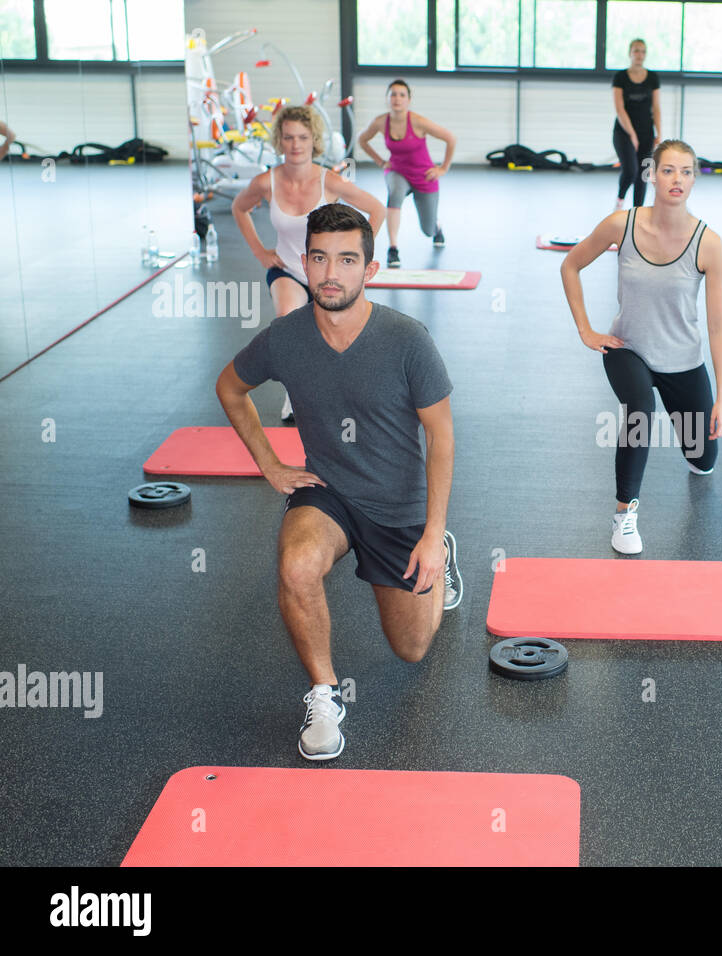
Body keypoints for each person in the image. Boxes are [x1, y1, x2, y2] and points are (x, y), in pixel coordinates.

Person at [215, 204, 461, 761]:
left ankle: (441, 556)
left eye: (347, 260)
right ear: (303, 262)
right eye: (320, 258)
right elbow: (230, 388)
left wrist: (431, 532)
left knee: (413, 649)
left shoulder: (407, 340)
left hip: (398, 505)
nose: (331, 273)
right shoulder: (285, 338)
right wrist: (270, 465)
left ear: (368, 270)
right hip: (326, 493)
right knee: (296, 563)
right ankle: (324, 696)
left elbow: (441, 439)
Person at [561, 140, 722, 554]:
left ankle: (697, 446)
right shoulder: (622, 224)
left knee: (703, 459)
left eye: (686, 171)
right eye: (668, 170)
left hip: (683, 360)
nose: (677, 179)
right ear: (651, 174)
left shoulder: (708, 243)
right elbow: (571, 264)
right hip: (628, 347)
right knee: (639, 408)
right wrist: (586, 330)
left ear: (694, 178)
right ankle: (624, 514)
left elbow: (718, 324)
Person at [231, 105, 386, 423]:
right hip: (288, 269)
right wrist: (261, 252)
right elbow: (239, 208)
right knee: (289, 322)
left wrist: (355, 260)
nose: (295, 144)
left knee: (333, 336)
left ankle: (338, 394)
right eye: (288, 137)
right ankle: (295, 396)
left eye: (302, 137)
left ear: (313, 140)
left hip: (328, 274)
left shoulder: (330, 182)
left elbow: (377, 210)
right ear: (280, 141)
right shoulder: (266, 182)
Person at [357, 79, 456, 268]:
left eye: (402, 95)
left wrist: (442, 168)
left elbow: (450, 138)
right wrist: (380, 161)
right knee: (394, 195)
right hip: (397, 171)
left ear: (409, 100)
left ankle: (436, 227)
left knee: (427, 230)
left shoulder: (418, 121)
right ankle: (393, 249)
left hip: (423, 175)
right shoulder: (380, 122)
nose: (397, 98)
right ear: (387, 99)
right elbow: (362, 140)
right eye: (393, 94)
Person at [612, 39, 661, 210]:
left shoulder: (653, 78)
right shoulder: (620, 77)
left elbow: (656, 107)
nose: (639, 55)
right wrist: (632, 134)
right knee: (631, 170)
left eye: (642, 51)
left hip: (646, 132)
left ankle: (637, 212)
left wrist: (659, 133)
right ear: (630, 53)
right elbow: (619, 109)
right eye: (636, 51)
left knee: (643, 174)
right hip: (623, 132)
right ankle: (620, 200)